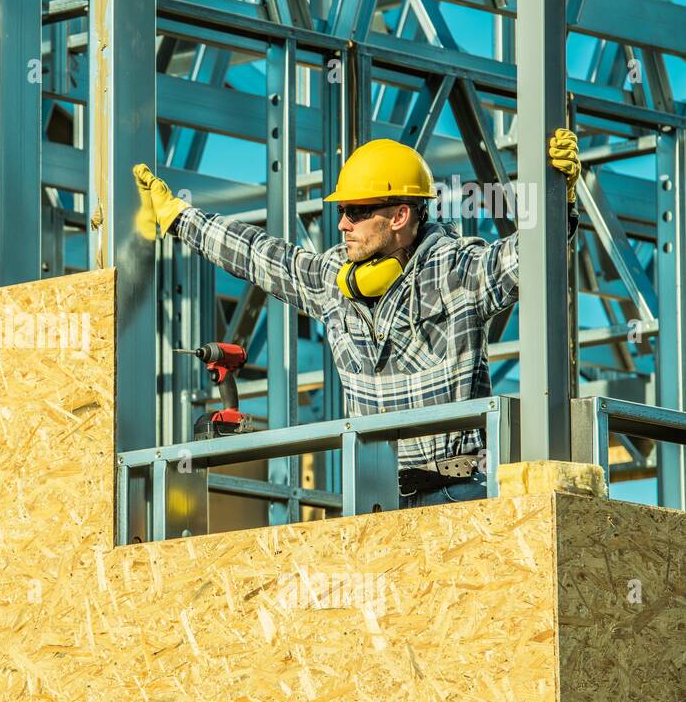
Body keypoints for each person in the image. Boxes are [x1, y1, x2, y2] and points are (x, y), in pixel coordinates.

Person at [134, 130, 582, 508]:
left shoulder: (456, 272)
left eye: (357, 212)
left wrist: (557, 199)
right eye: (341, 211)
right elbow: (262, 257)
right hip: (376, 502)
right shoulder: (335, 281)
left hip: (458, 495)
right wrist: (180, 218)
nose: (343, 223)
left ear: (401, 215)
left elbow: (526, 258)